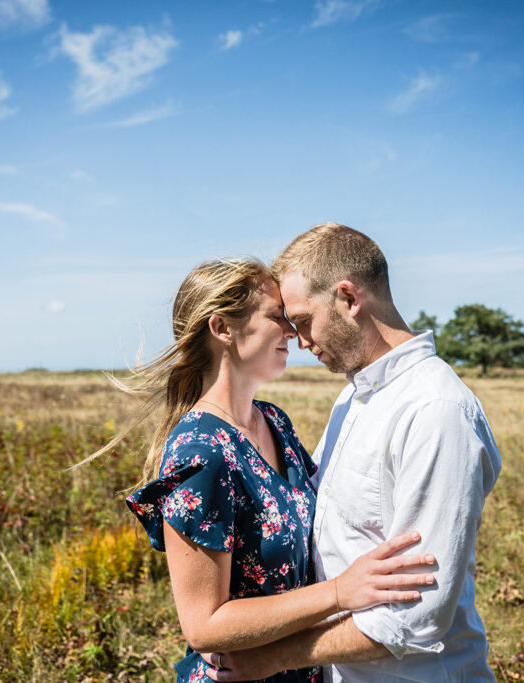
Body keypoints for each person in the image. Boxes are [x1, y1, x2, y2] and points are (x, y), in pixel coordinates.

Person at [114, 257, 438, 682]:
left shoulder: (275, 422)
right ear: (222, 329)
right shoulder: (201, 452)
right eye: (277, 318)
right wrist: (339, 593)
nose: (293, 333)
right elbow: (203, 625)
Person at [204, 225, 502, 682]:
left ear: (348, 298)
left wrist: (276, 656)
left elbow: (418, 614)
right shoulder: (355, 396)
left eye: (302, 320)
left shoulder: (435, 410)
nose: (299, 340)